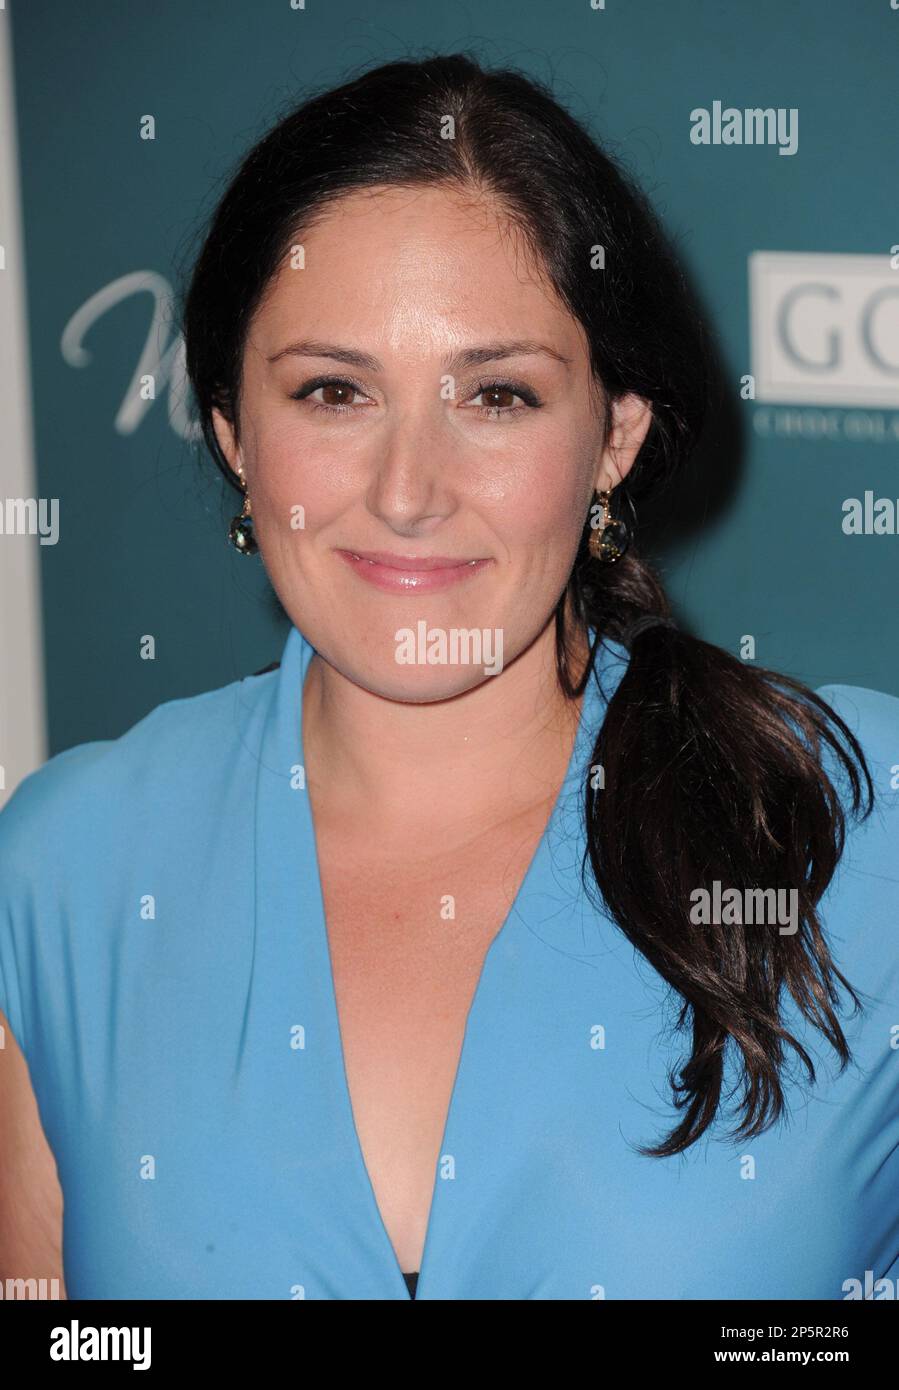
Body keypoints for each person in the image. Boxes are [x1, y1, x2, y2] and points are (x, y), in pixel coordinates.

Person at [1, 53, 897, 1302]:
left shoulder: (860, 830)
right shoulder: (69, 867)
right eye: (332, 390)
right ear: (231, 434)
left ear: (613, 434)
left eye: (494, 394)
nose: (408, 490)